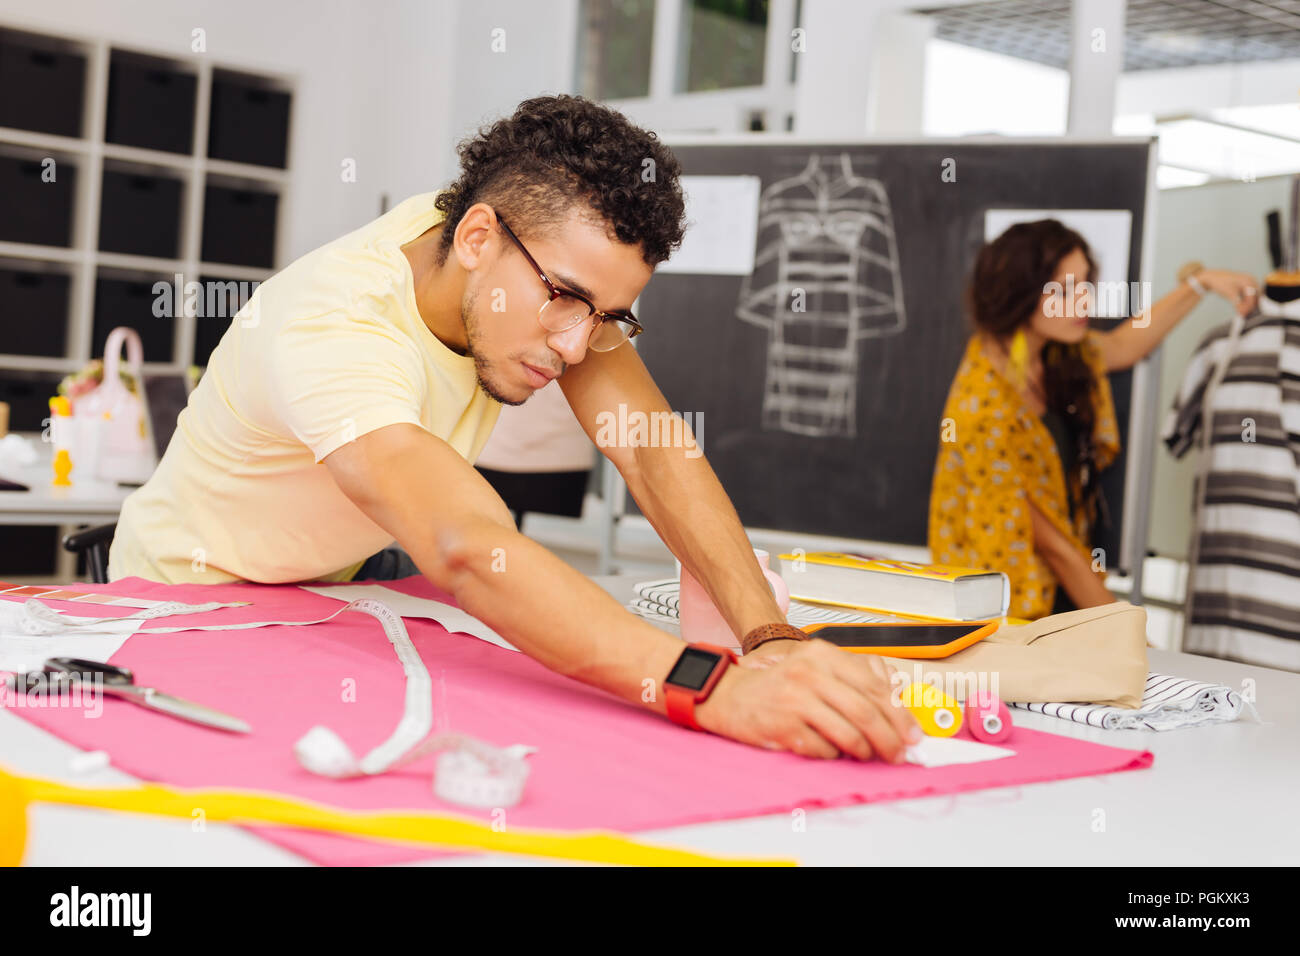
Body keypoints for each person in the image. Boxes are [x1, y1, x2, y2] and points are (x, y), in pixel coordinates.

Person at [107, 95, 919, 762]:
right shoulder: (334, 330)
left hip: (324, 593)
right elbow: (465, 544)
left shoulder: (515, 252)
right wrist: (715, 686)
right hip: (182, 603)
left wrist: (769, 639)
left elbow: (648, 443)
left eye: (608, 315)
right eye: (564, 298)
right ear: (475, 239)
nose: (576, 348)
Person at [929, 219, 1256, 620]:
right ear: (1020, 293)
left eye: (1084, 285)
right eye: (1063, 291)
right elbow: (1055, 548)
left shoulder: (1049, 353)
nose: (1083, 302)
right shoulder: (982, 406)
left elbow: (1124, 344)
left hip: (1062, 597)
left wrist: (1200, 284)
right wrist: (1125, 632)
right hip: (1010, 619)